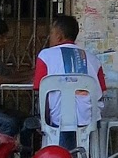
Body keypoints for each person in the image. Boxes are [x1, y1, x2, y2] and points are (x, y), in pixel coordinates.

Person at [31, 14, 107, 150]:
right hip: (88, 121)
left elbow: (39, 88)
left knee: (51, 114)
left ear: (59, 36)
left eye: (52, 33)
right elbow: (101, 90)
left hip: (58, 121)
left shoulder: (45, 55)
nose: (50, 37)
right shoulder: (93, 58)